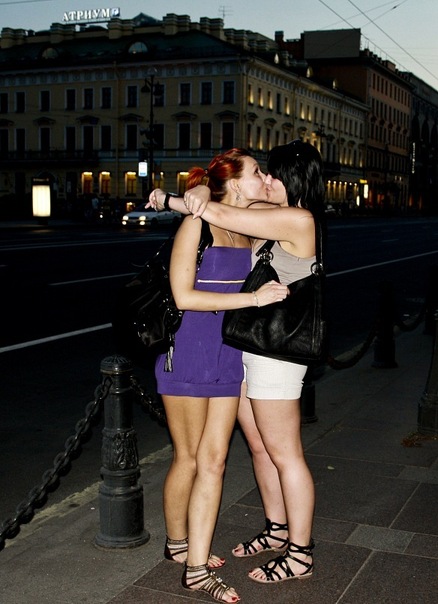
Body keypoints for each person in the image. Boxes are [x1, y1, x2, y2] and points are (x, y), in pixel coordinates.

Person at [152, 139, 325, 586]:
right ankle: (186, 543)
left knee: (234, 458)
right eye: (257, 172)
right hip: (214, 347)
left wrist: (178, 197)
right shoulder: (229, 220)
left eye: (270, 174)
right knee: (207, 456)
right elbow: (184, 292)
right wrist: (199, 192)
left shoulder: (281, 220)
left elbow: (225, 211)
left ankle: (292, 551)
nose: (265, 179)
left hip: (254, 351)